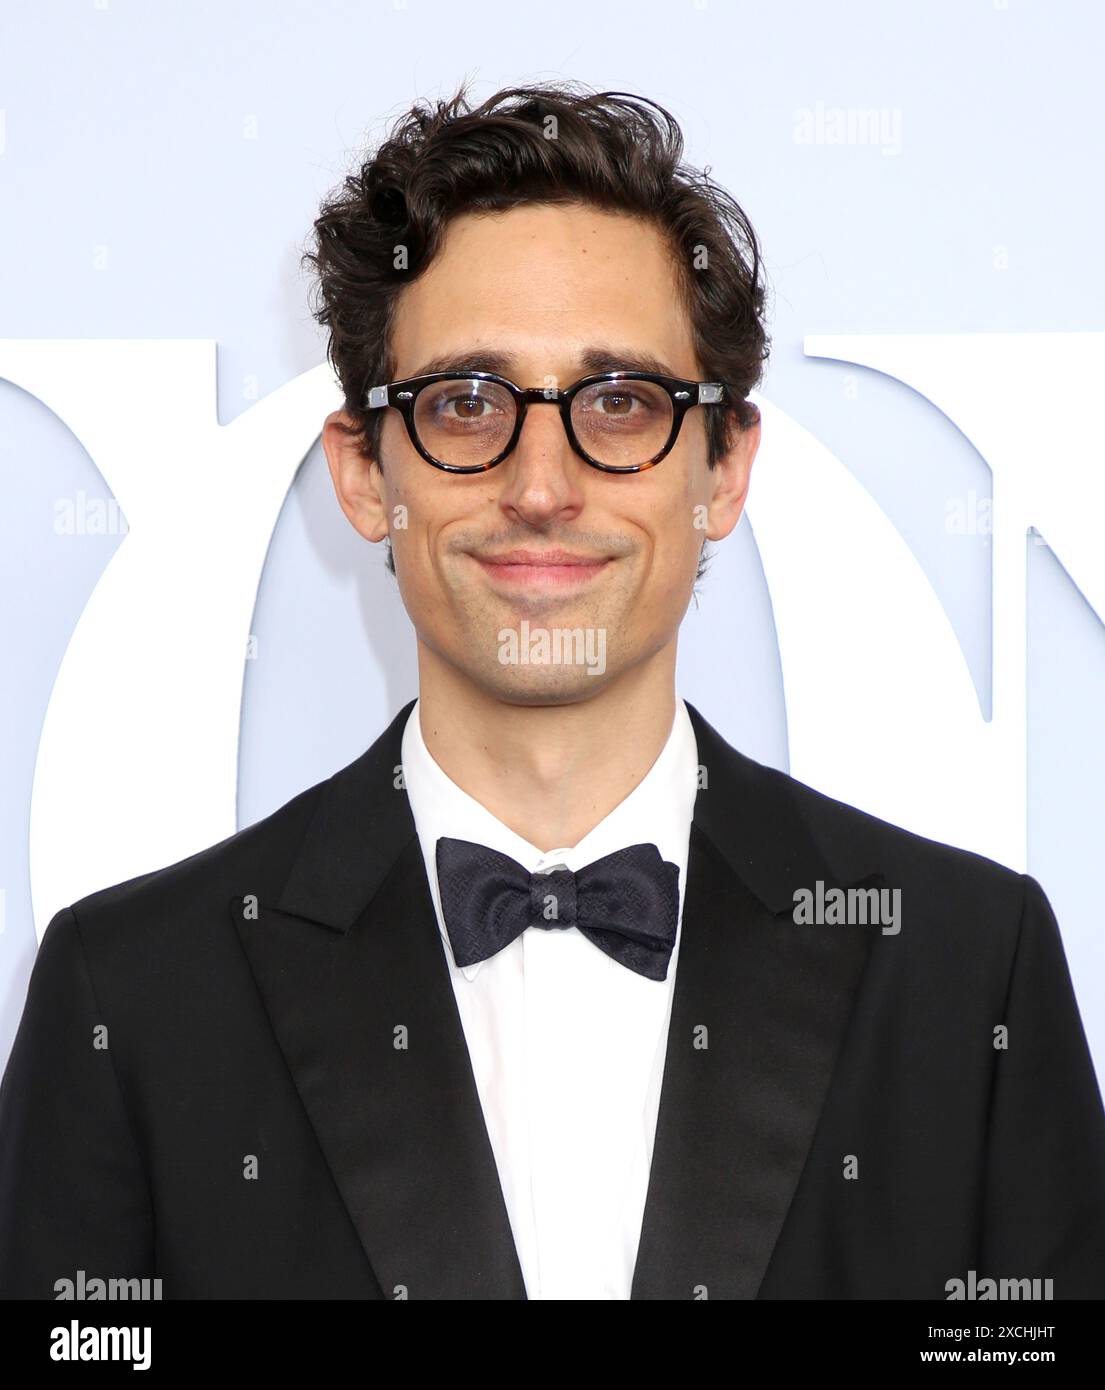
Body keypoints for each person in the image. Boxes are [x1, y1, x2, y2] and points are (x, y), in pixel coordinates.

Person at [2, 81, 1103, 1301]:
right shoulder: (135, 994)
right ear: (364, 473)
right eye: (467, 404)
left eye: (619, 403)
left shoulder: (965, 971)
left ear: (724, 466)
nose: (541, 484)